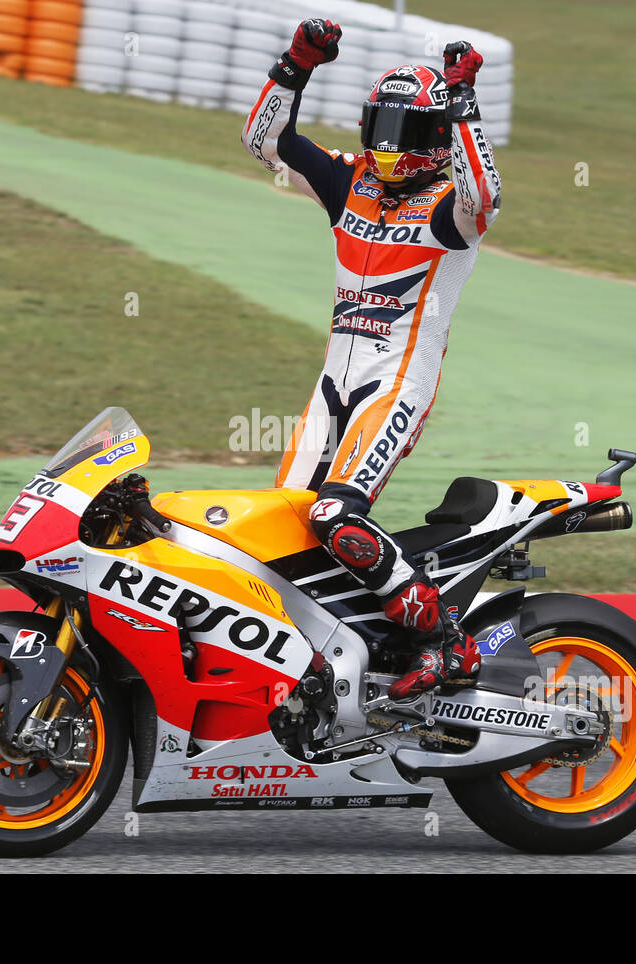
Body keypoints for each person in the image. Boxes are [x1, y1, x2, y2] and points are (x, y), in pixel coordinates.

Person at [242, 18, 502, 700]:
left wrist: (463, 97)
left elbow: (488, 196)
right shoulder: (347, 180)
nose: (388, 146)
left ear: (436, 139)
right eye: (379, 127)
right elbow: (263, 141)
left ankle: (444, 638)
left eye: (407, 132)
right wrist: (297, 63)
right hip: (334, 381)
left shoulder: (453, 210)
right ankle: (332, 664)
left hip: (396, 381)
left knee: (335, 517)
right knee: (277, 530)